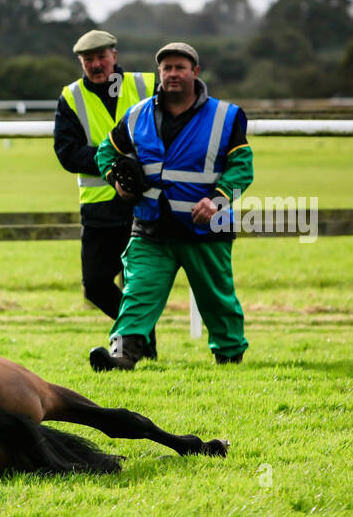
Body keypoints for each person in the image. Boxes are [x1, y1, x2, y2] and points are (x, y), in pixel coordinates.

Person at [89, 41, 253, 371]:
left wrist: (216, 200)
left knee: (217, 300)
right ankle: (122, 354)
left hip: (205, 227)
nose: (173, 74)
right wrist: (115, 180)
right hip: (150, 227)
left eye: (180, 67)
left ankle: (230, 355)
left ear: (195, 72)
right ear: (159, 73)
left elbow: (242, 167)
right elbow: (105, 151)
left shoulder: (227, 116)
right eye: (166, 68)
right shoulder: (136, 115)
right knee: (137, 292)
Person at [54, 29, 157, 357]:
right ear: (81, 63)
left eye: (101, 57)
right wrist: (116, 166)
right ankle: (142, 340)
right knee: (96, 286)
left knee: (137, 283)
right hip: (99, 208)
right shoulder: (71, 96)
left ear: (114, 55)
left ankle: (138, 348)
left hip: (146, 203)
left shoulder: (148, 86)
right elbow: (67, 153)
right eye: (88, 60)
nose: (96, 65)